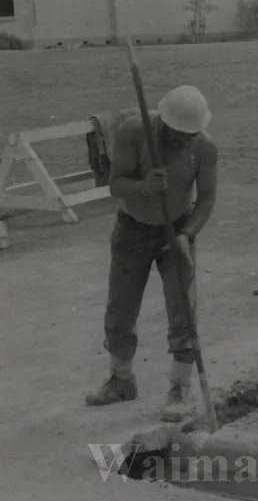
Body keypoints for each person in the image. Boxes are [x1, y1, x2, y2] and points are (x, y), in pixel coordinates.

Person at [85, 85, 218, 424]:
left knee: (183, 308)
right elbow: (115, 184)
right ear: (163, 124)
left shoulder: (204, 146)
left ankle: (179, 387)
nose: (181, 141)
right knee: (121, 305)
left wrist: (188, 236)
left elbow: (206, 198)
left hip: (178, 229)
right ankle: (121, 380)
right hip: (133, 229)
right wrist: (144, 187)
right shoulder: (134, 131)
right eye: (175, 134)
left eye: (188, 135)